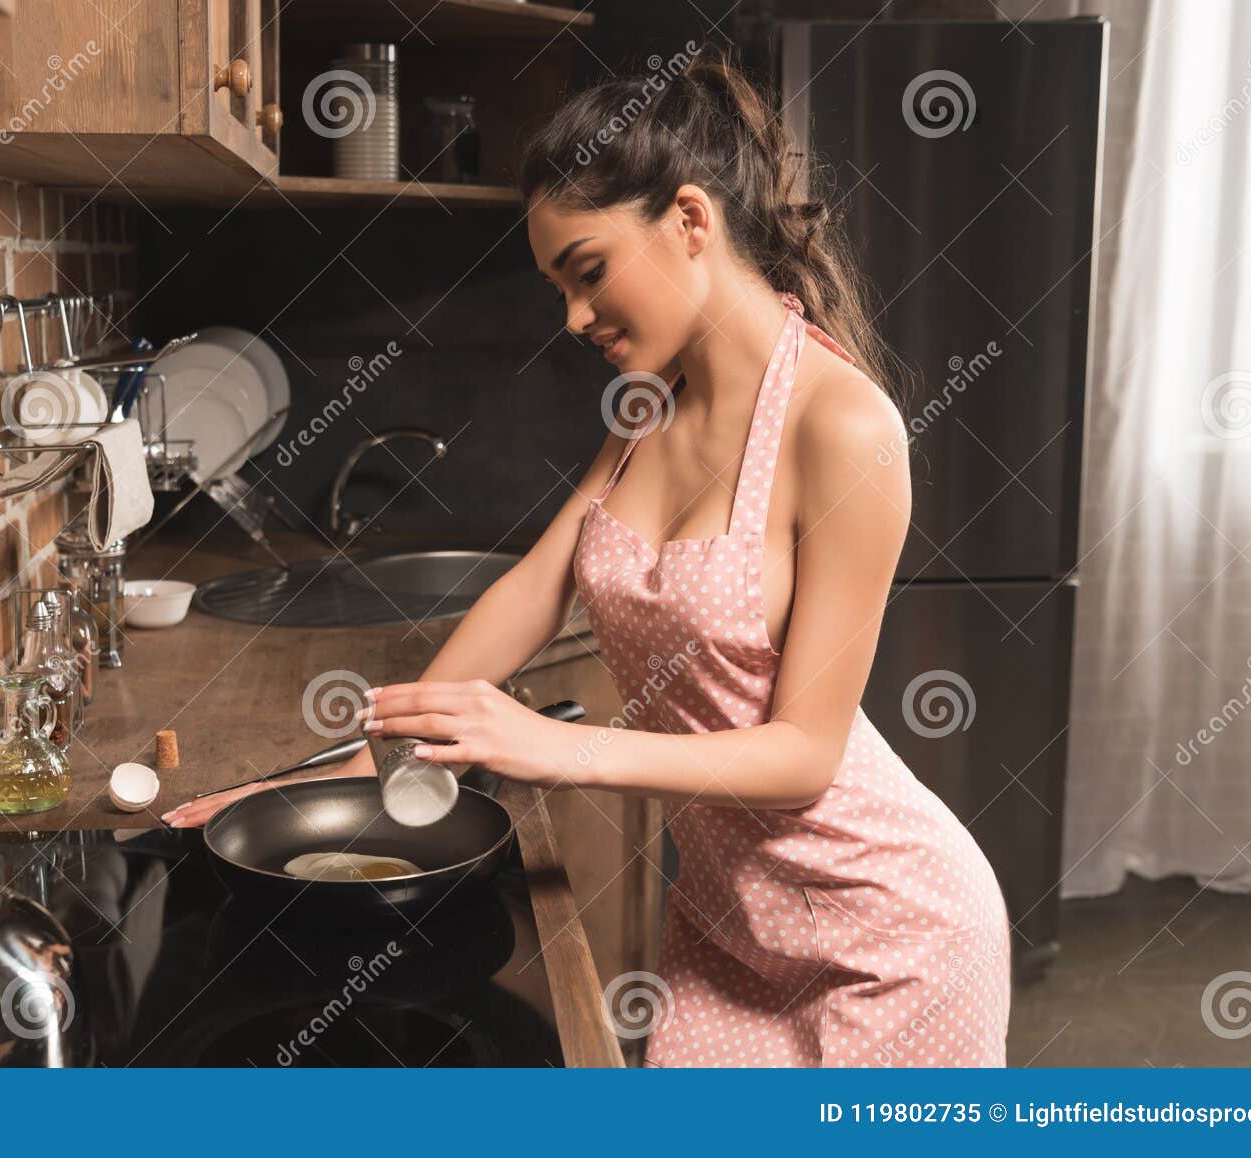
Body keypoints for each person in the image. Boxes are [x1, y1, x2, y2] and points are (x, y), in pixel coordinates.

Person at [165, 45, 1011, 1067]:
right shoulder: (650, 400)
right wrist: (347, 772)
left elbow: (804, 757)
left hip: (887, 941)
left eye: (590, 272)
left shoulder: (845, 428)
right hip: (725, 928)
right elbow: (541, 579)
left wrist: (549, 746)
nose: (572, 317)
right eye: (558, 286)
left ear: (691, 222)